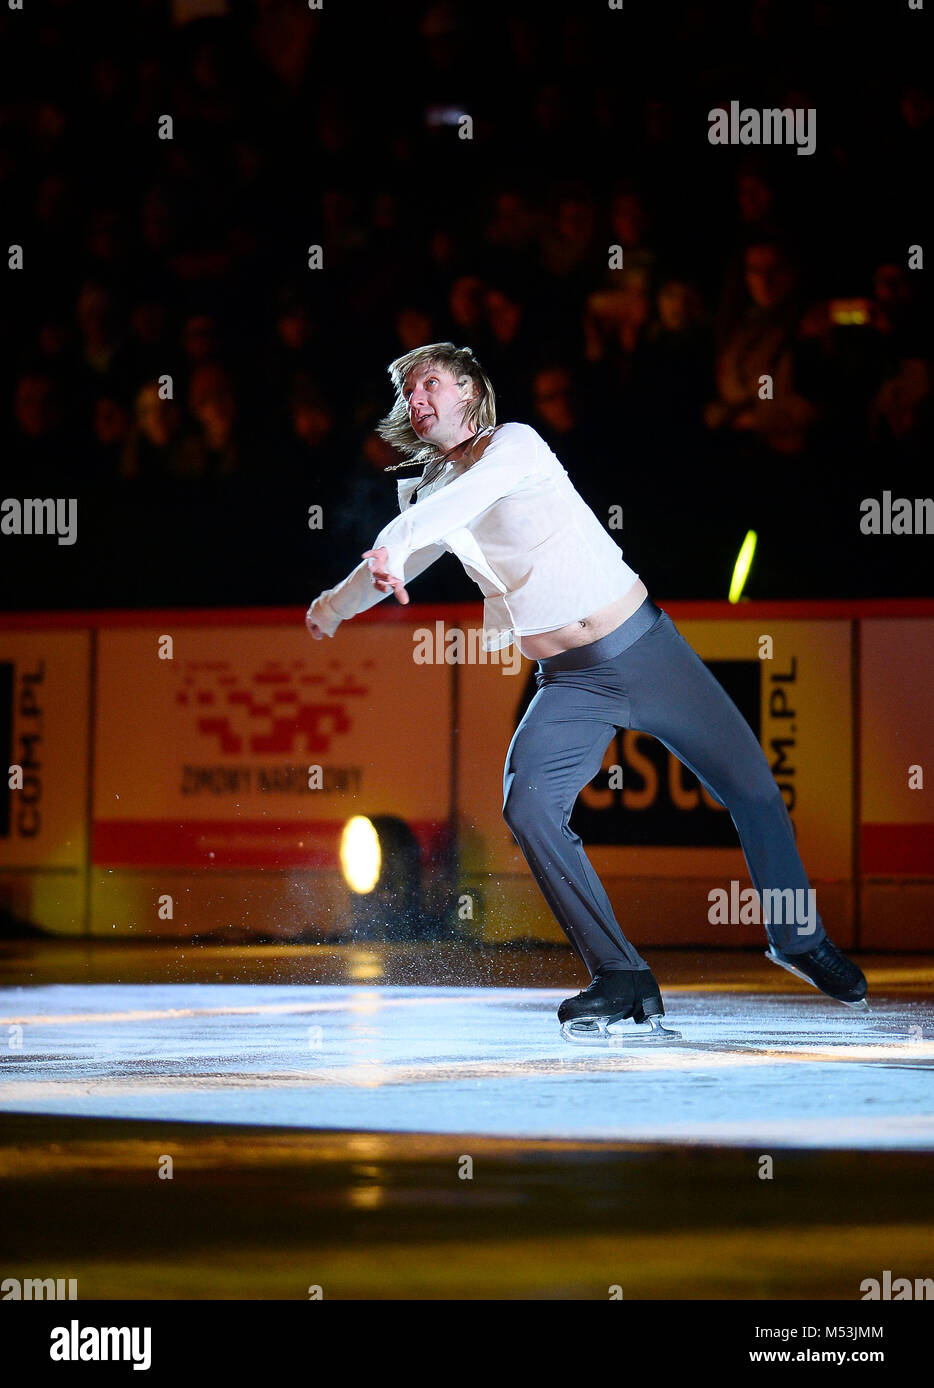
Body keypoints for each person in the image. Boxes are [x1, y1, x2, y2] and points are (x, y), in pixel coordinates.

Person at [305, 342, 868, 1043]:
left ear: (471, 393)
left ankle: (798, 937)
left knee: (752, 788)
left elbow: (427, 526)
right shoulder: (423, 495)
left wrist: (392, 544)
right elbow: (403, 552)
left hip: (646, 651)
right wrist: (333, 604)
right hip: (568, 681)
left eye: (431, 384)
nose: (417, 401)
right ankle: (622, 975)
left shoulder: (516, 445)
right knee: (529, 804)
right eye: (409, 393)